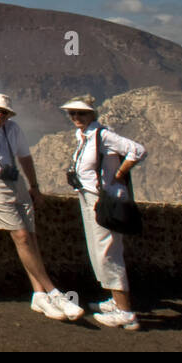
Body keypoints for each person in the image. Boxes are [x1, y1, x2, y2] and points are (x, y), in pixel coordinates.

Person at [0, 93, 84, 321]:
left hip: (16, 183)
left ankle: (39, 296)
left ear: (8, 115)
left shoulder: (13, 129)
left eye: (3, 112)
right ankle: (54, 293)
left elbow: (25, 159)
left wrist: (34, 186)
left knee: (31, 238)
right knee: (21, 236)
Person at [61, 95, 147, 331]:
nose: (76, 117)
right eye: (72, 114)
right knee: (98, 250)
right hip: (88, 197)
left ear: (93, 114)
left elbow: (138, 150)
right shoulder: (84, 136)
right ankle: (114, 301)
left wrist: (119, 175)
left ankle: (126, 313)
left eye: (81, 113)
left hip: (103, 201)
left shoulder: (103, 135)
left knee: (108, 251)